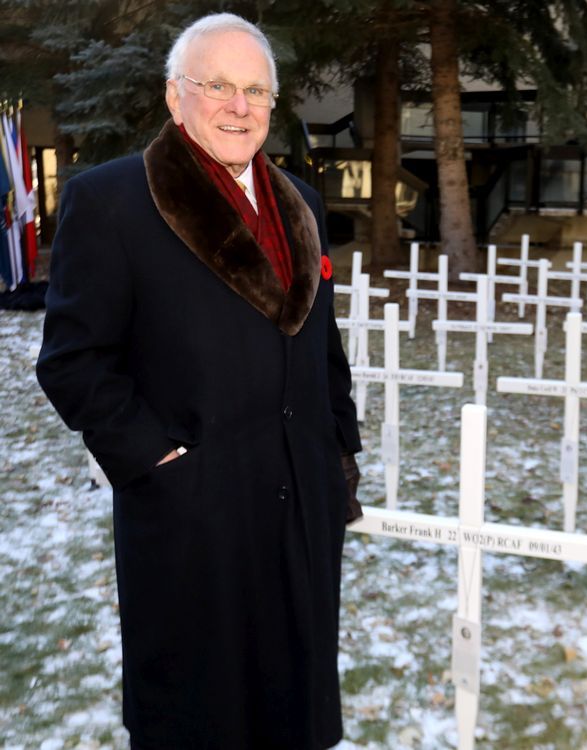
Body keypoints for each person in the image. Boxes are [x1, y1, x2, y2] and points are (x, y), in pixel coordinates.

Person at [36, 13, 362, 749]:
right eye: (217, 85)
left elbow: (322, 342)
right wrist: (154, 461)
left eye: (255, 90)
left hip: (300, 500)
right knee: (199, 709)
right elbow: (72, 361)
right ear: (174, 97)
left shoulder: (301, 205)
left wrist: (339, 449)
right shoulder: (114, 201)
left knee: (293, 703)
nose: (238, 106)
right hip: (194, 509)